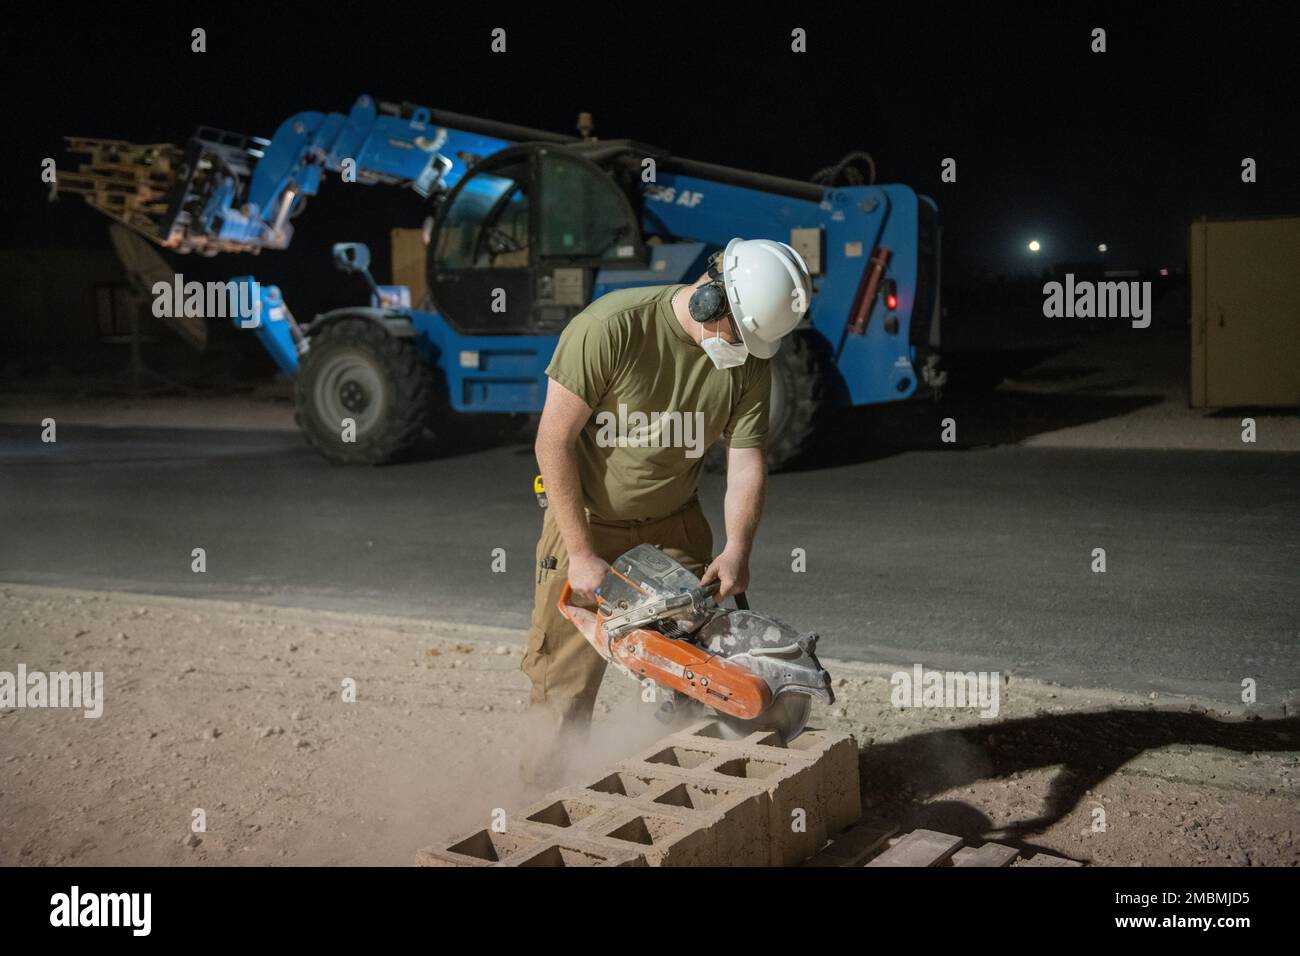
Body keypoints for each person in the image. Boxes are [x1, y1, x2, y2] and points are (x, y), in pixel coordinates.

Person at [520, 237, 813, 783]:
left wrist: (736, 550)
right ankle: (541, 798)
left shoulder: (748, 359)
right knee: (562, 685)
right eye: (738, 335)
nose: (744, 350)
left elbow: (747, 460)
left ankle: (686, 793)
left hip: (675, 521)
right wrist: (580, 553)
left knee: (700, 675)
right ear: (710, 300)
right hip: (584, 526)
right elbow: (552, 443)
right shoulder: (611, 328)